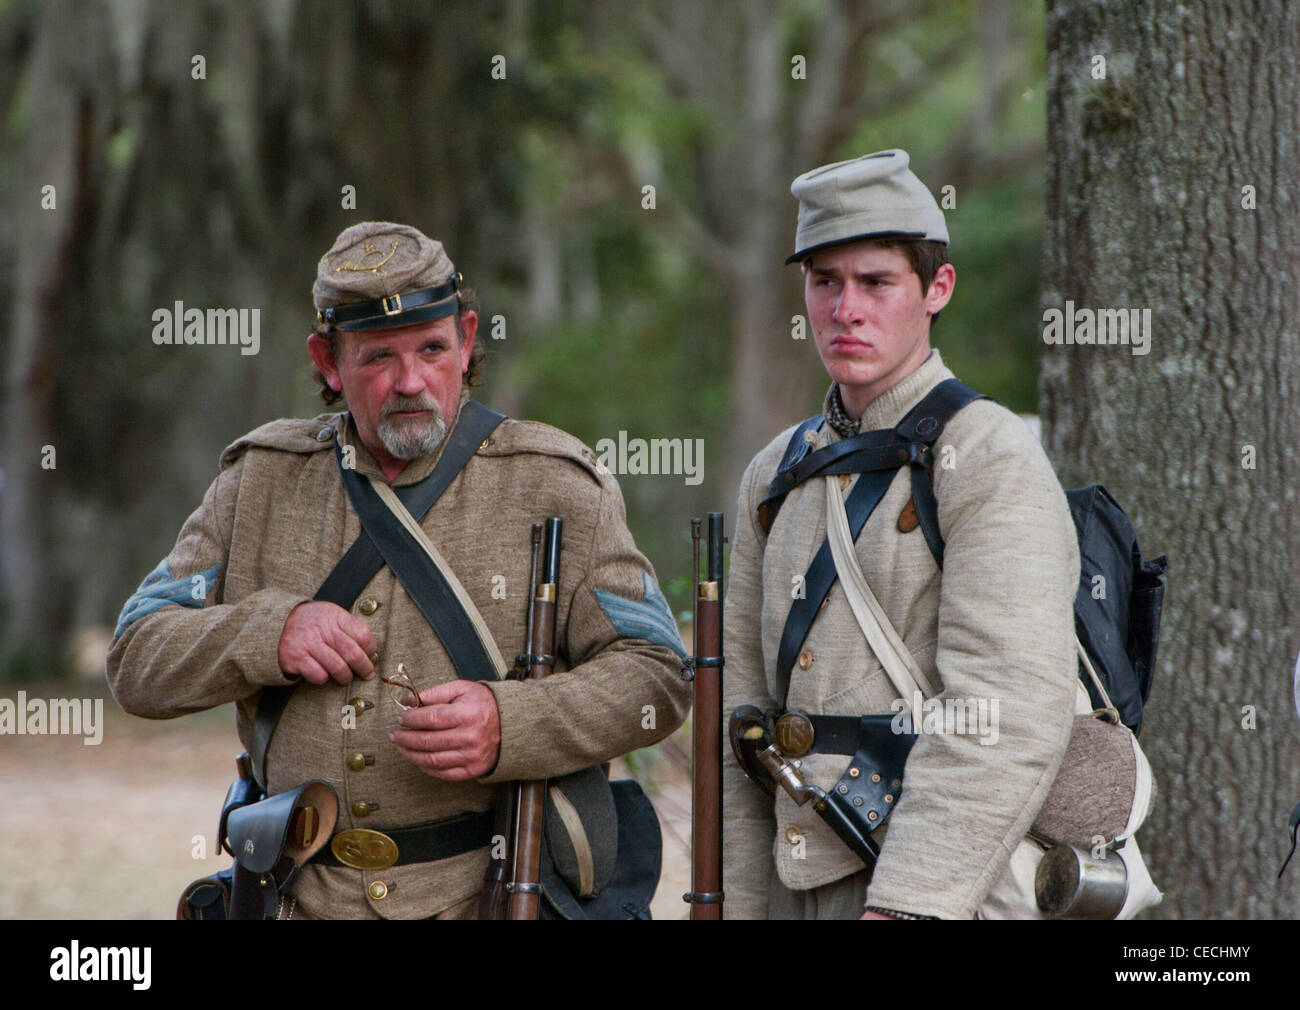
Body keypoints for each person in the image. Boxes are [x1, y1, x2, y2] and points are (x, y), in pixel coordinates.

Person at [107, 221, 691, 919]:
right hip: (298, 895)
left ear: (468, 339)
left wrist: (511, 723)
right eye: (379, 357)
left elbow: (657, 671)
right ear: (327, 361)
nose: (411, 381)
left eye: (433, 349)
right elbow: (137, 659)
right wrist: (270, 632)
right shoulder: (258, 481)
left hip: (488, 894)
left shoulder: (556, 482)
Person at [721, 150, 1081, 919]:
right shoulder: (775, 472)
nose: (846, 309)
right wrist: (735, 906)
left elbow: (1004, 712)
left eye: (877, 282)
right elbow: (743, 724)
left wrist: (909, 904)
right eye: (826, 282)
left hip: (938, 884)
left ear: (936, 289)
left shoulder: (988, 455)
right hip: (795, 881)